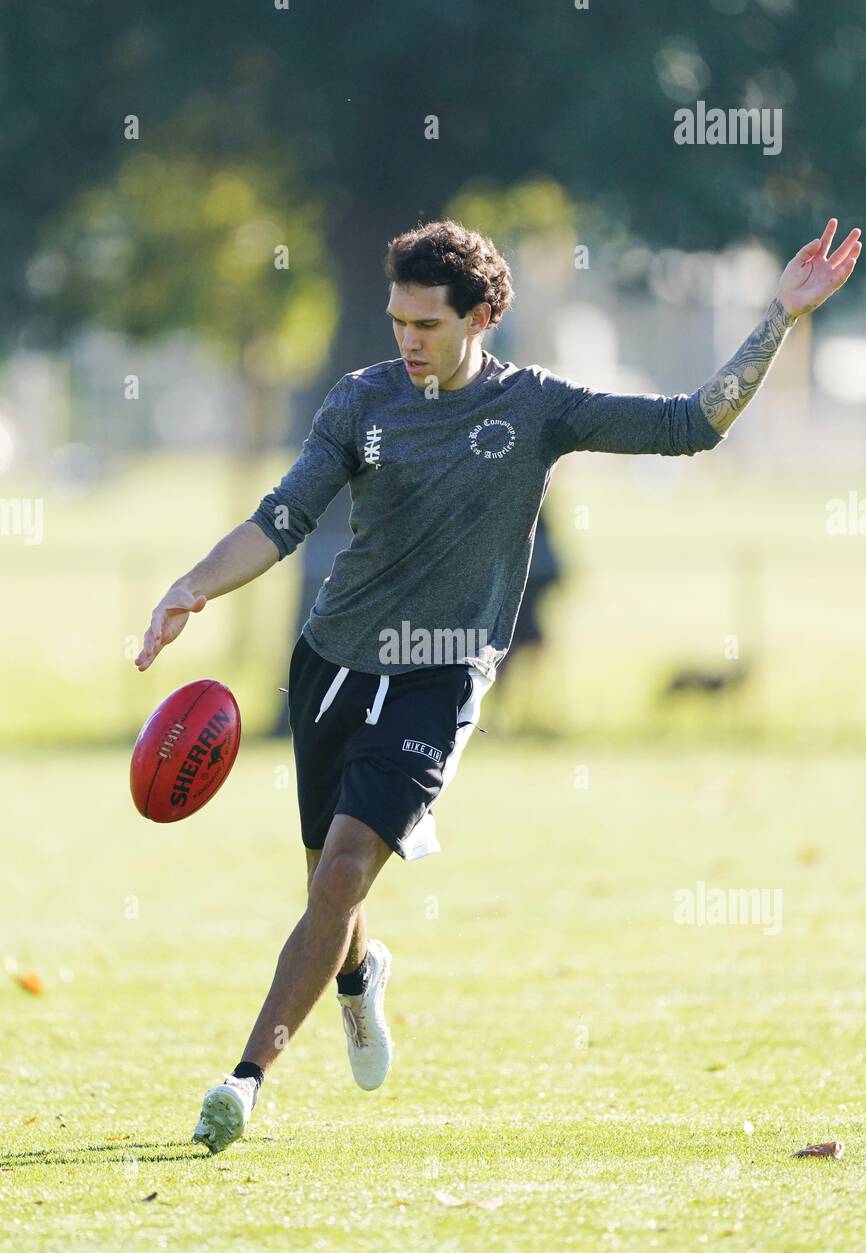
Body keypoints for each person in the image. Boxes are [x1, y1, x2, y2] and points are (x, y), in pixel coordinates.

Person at [135, 216, 860, 1154]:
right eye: (397, 320)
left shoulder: (537, 409)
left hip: (441, 675)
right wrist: (192, 586)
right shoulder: (361, 403)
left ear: (481, 316)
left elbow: (692, 423)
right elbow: (283, 517)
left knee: (347, 869)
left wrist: (779, 317)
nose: (406, 341)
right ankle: (358, 980)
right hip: (333, 663)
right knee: (329, 884)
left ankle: (244, 1081)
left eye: (426, 325)